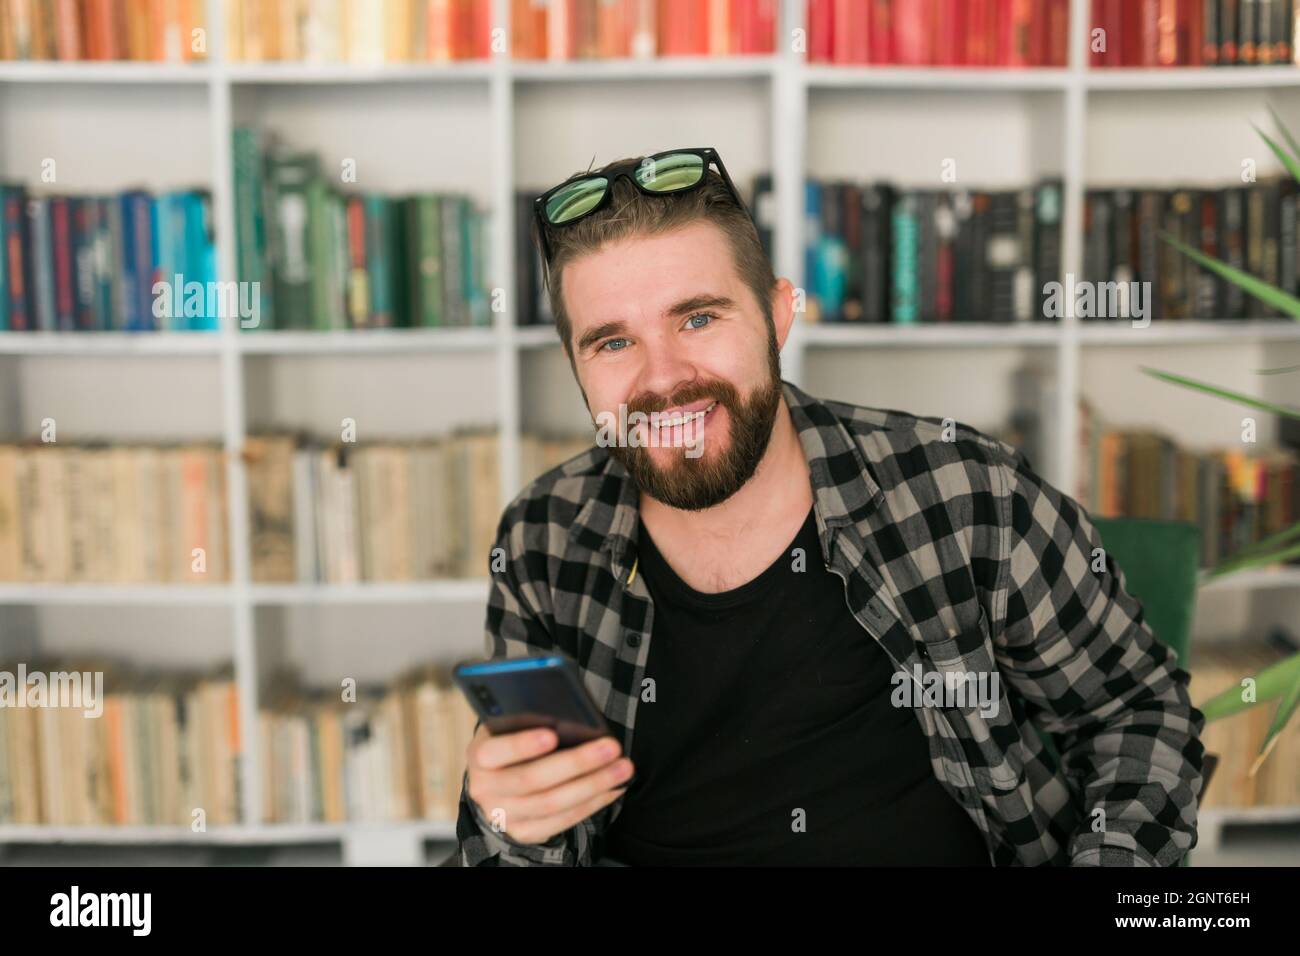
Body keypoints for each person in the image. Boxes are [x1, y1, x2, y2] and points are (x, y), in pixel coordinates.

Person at [455, 148, 1205, 866]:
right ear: (577, 367)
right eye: (613, 342)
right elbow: (522, 838)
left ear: (779, 316)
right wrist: (506, 822)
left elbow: (1136, 714)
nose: (664, 379)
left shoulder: (966, 492)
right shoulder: (542, 537)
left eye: (698, 319)